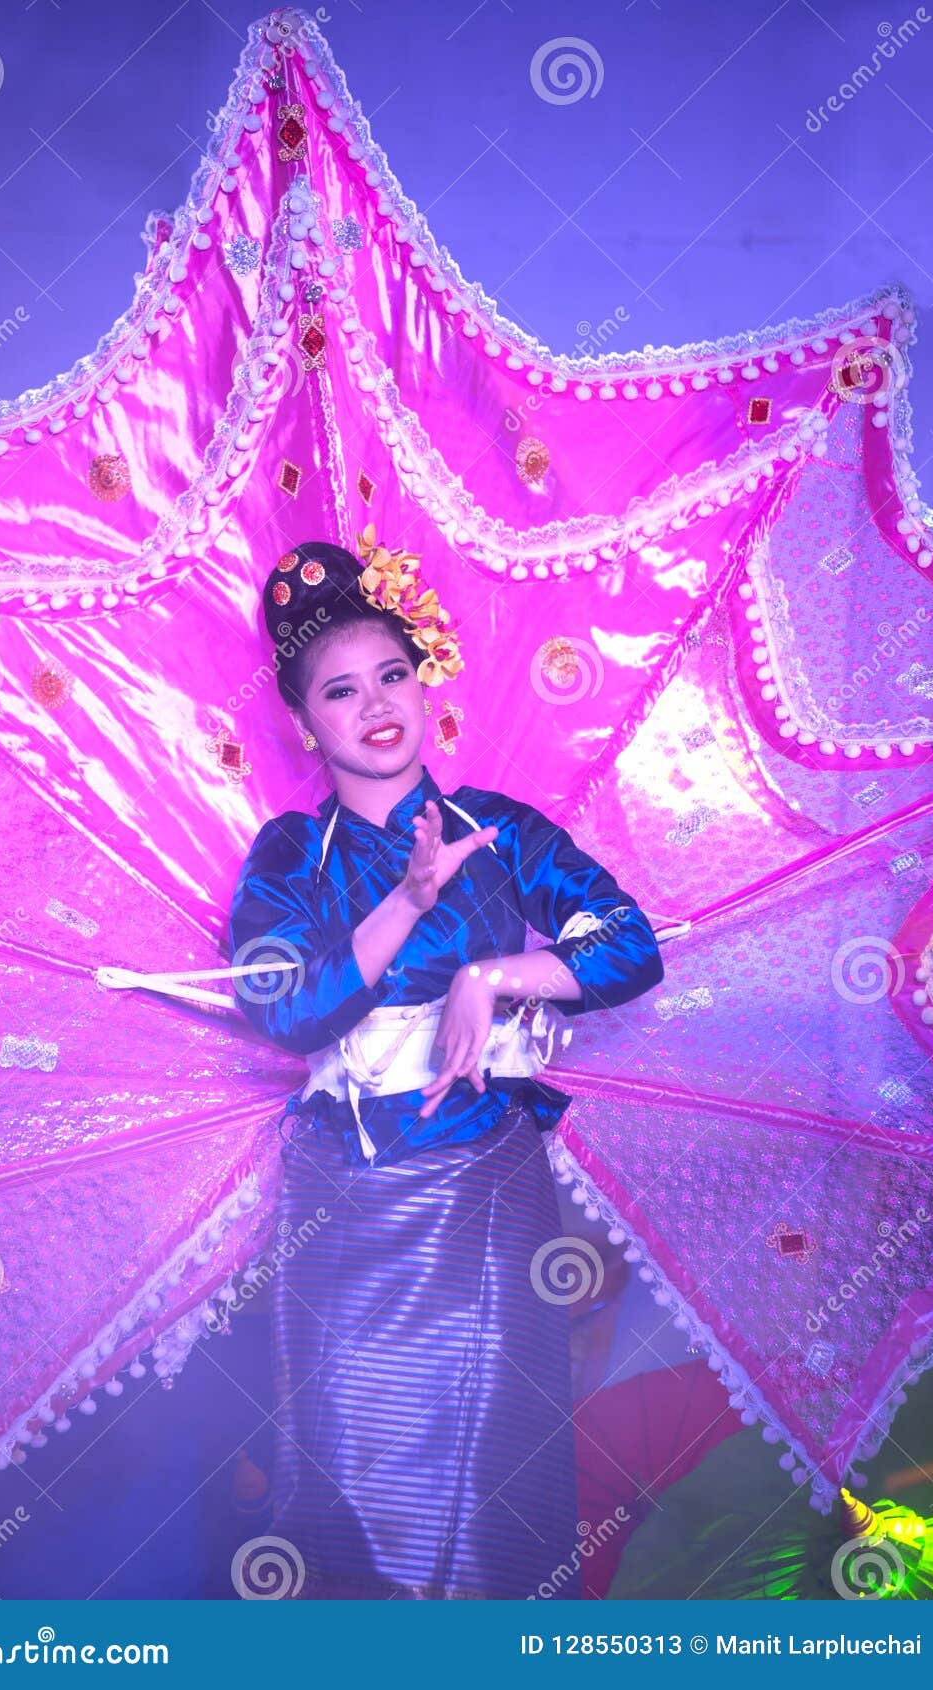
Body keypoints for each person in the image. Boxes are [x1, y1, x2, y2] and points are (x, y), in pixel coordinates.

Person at [227, 531, 665, 1600]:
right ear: (302, 721)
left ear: (426, 688)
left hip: (485, 1193)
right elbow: (287, 1007)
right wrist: (412, 901)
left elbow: (630, 946)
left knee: (491, 1504)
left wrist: (496, 975)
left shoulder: (502, 831)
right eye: (339, 690)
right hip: (346, 1206)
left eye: (393, 674)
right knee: (344, 1491)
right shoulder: (294, 853)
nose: (376, 703)